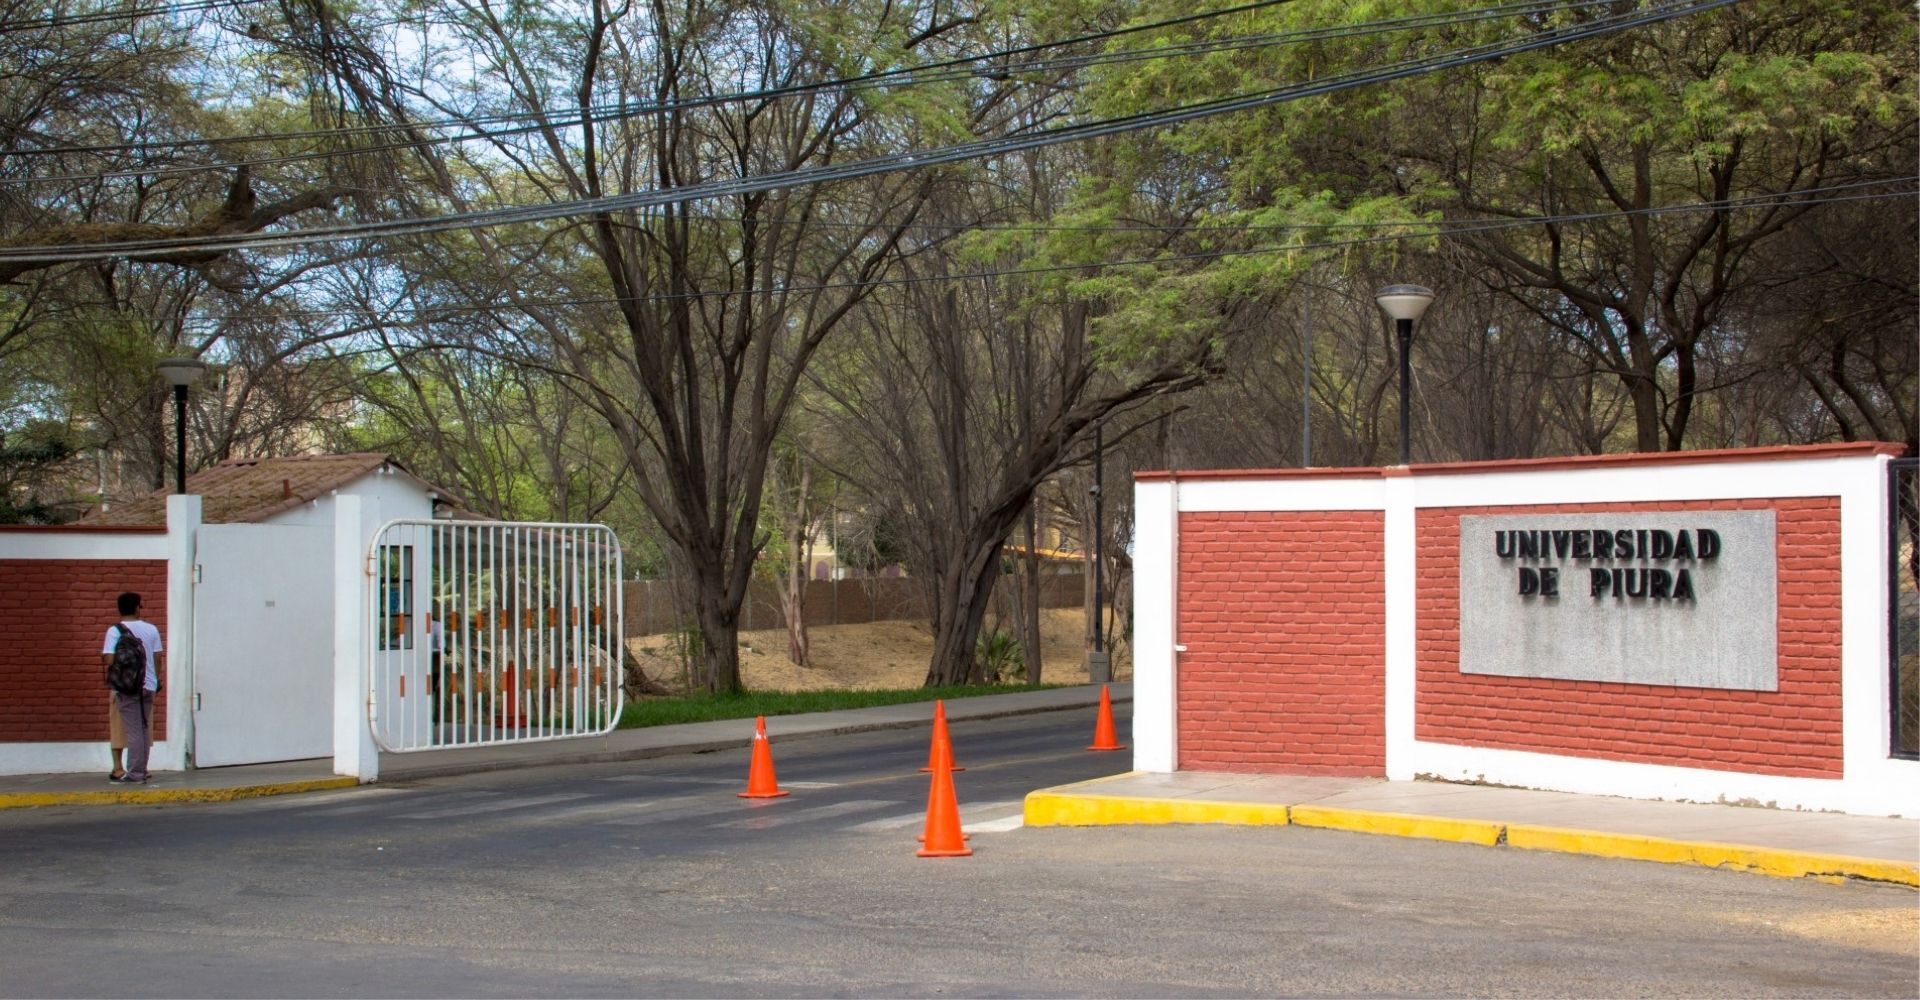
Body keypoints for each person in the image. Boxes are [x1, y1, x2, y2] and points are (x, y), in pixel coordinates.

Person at [102, 592, 163, 784]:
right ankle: (142, 769)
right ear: (137, 608)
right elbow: (158, 657)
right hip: (149, 685)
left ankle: (135, 773)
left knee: (134, 730)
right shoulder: (152, 629)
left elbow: (109, 659)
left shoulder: (114, 631)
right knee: (144, 729)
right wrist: (155, 679)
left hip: (127, 687)